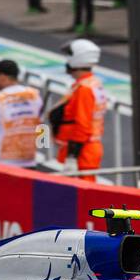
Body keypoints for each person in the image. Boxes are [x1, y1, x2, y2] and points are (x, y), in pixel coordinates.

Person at [48, 38, 108, 181]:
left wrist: (72, 157)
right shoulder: (91, 83)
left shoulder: (84, 89)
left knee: (83, 197)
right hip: (85, 150)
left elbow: (82, 125)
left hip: (82, 154)